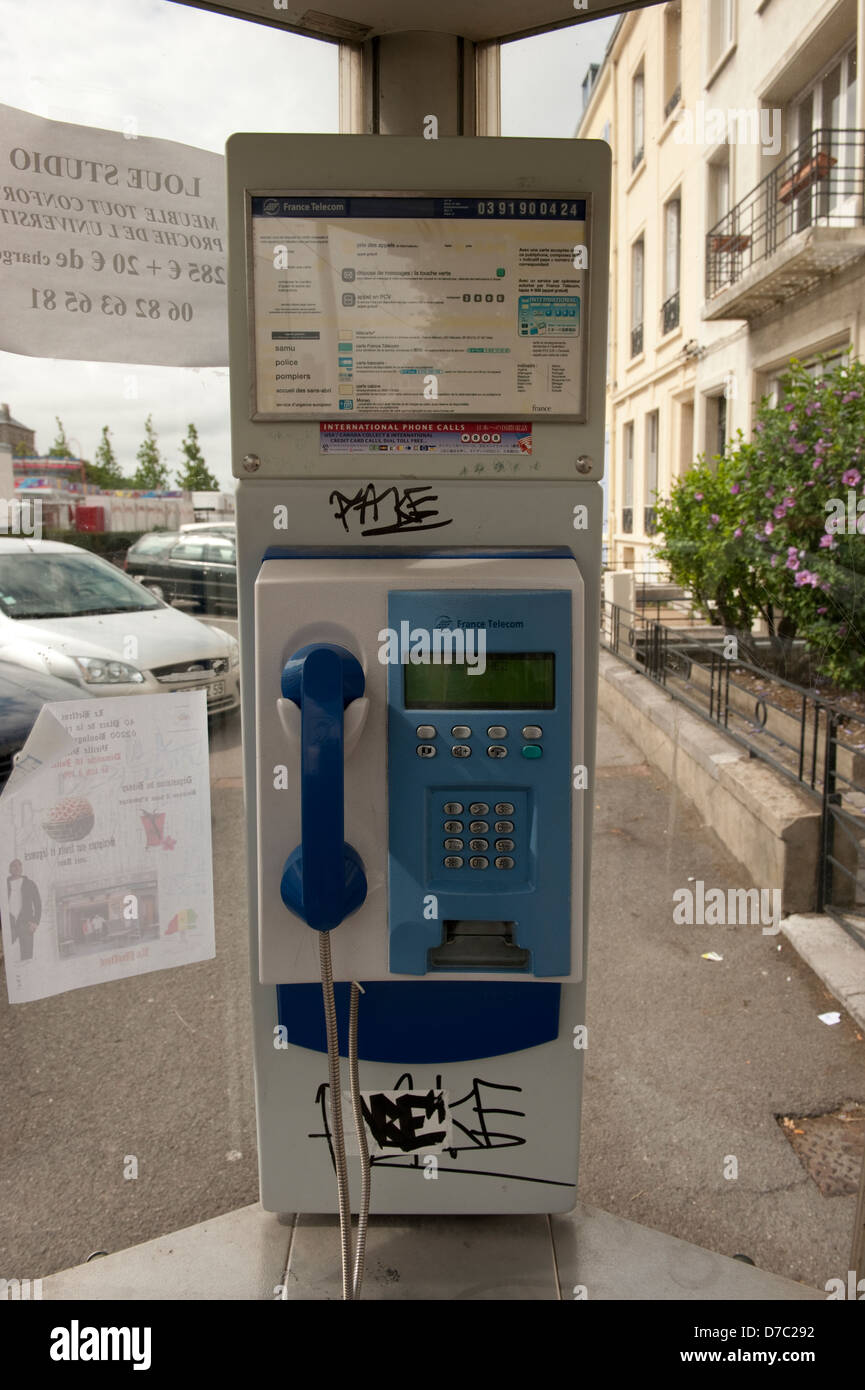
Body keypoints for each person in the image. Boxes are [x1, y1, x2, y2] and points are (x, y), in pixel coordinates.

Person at [7, 859, 42, 963]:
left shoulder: (29, 883)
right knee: (6, 954)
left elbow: (38, 904)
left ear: (22, 868)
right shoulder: (4, 884)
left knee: (27, 958)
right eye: (14, 866)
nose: (17, 868)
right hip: (9, 924)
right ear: (9, 869)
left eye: (19, 865)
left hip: (26, 923)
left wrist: (35, 923)